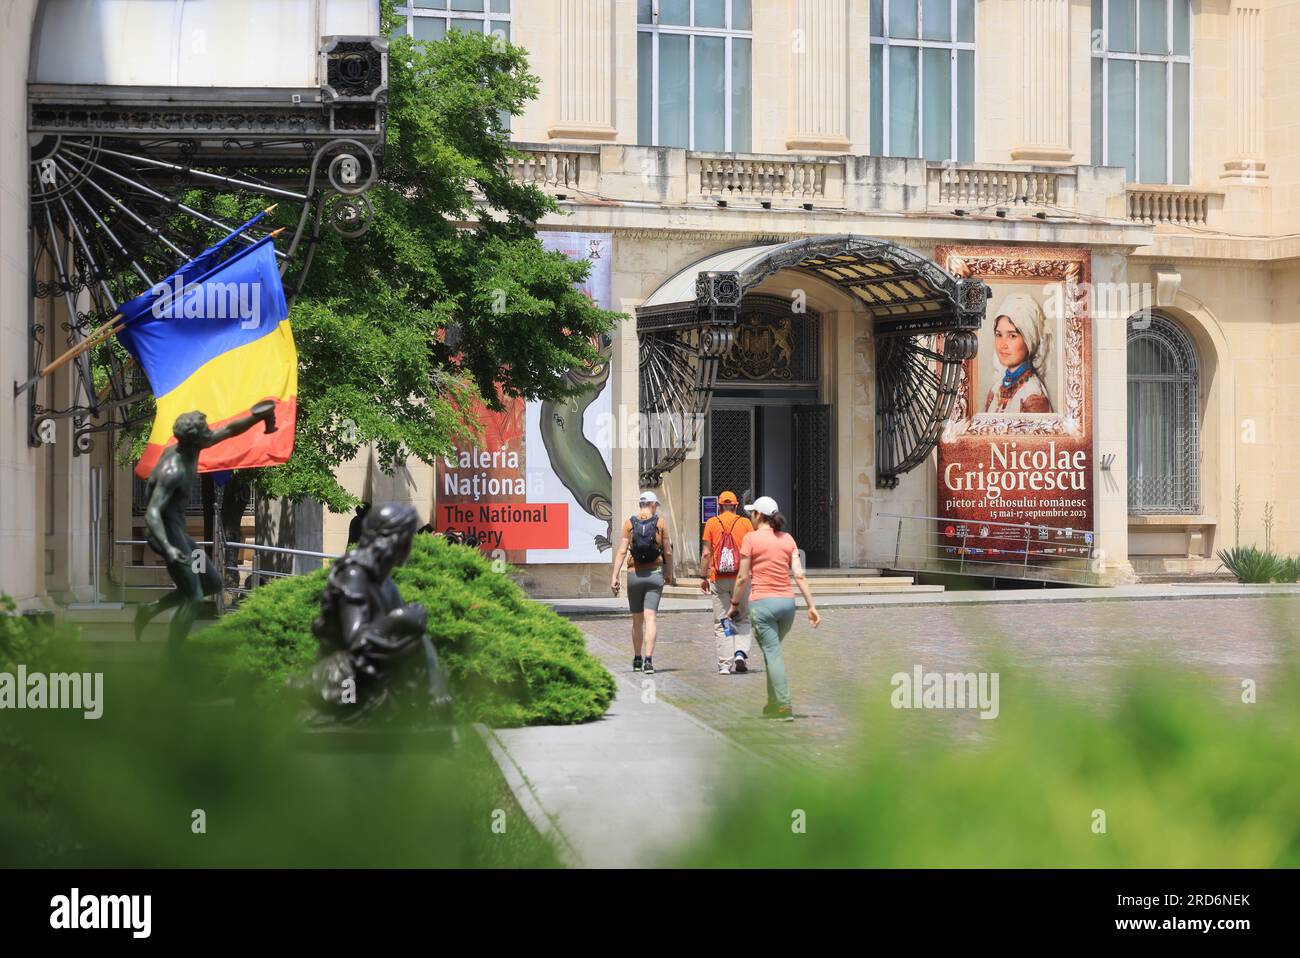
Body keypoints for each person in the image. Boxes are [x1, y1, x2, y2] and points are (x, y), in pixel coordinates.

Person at [133, 402, 276, 646]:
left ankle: (150, 610)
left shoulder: (192, 447)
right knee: (195, 598)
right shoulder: (173, 469)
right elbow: (153, 513)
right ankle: (174, 656)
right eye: (205, 431)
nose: (210, 433)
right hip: (164, 536)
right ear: (194, 440)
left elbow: (230, 430)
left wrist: (256, 416)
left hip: (176, 532)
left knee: (212, 583)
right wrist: (168, 548)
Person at [727, 496, 820, 721]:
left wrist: (734, 604)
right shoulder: (788, 539)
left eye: (752, 513)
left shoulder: (750, 539)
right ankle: (772, 703)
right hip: (787, 605)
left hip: (763, 604)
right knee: (773, 652)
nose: (750, 517)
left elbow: (742, 577)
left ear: (759, 515)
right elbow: (798, 574)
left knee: (773, 654)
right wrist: (811, 606)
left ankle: (783, 705)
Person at [609, 490, 674, 674]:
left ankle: (637, 659)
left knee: (637, 620)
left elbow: (622, 551)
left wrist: (614, 576)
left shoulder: (629, 523)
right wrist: (669, 572)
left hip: (634, 575)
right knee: (651, 617)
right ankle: (648, 661)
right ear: (653, 505)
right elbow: (667, 551)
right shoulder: (660, 523)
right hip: (654, 574)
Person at [700, 490, 754, 674]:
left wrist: (703, 576)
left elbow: (707, 553)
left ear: (720, 505)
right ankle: (740, 652)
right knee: (743, 616)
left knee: (722, 620)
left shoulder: (712, 523)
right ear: (736, 505)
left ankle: (725, 663)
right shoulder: (746, 523)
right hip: (741, 577)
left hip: (719, 578)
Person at [983, 293, 1053, 414]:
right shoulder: (995, 390)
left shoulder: (1033, 397)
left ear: (1029, 340)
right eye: (999, 335)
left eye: (1012, 336)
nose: (1003, 344)